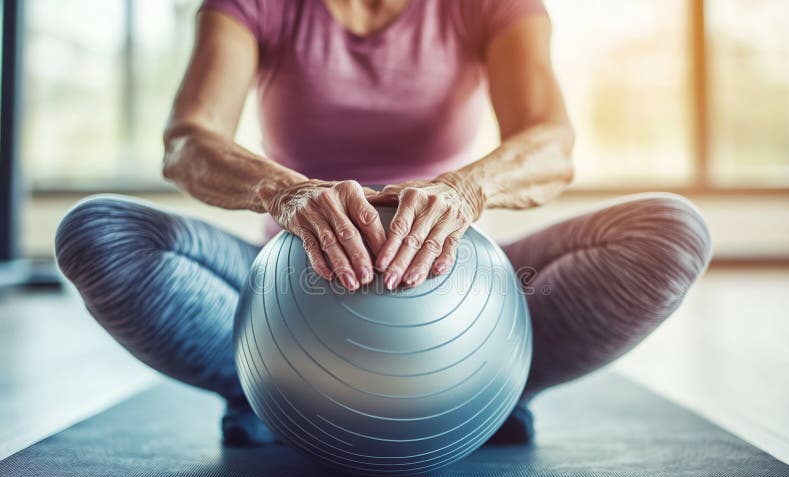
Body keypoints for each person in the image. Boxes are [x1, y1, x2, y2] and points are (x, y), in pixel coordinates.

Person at [55, 0, 712, 446]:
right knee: (99, 233)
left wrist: (464, 190)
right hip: (280, 288)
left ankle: (490, 386)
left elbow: (553, 143)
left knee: (671, 230)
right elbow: (186, 140)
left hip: (464, 288)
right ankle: (265, 389)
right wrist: (287, 193)